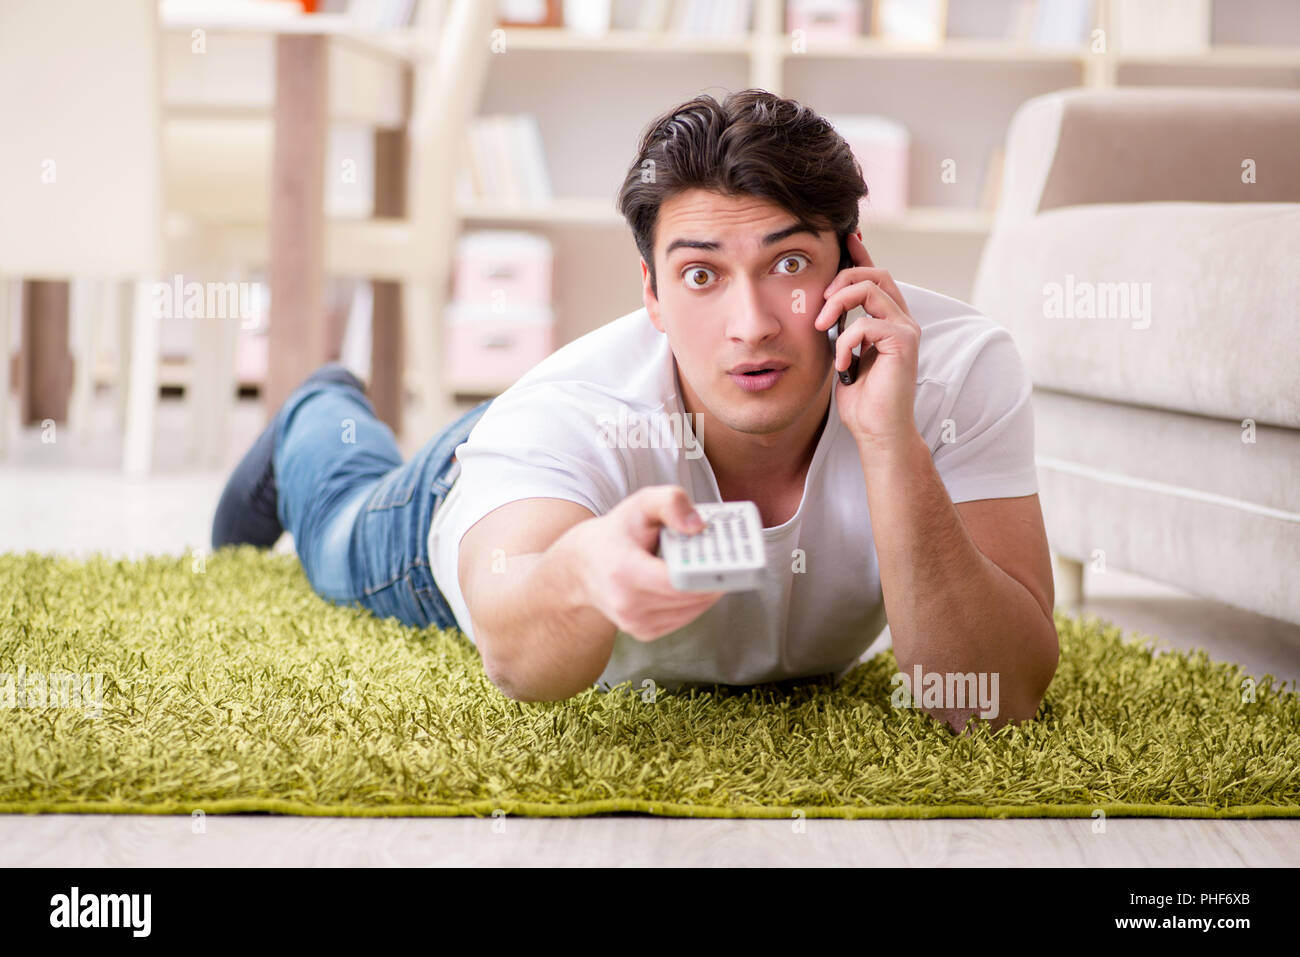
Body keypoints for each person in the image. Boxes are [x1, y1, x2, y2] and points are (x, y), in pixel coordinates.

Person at [212, 89, 1059, 733]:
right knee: (337, 527)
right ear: (650, 292)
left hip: (597, 454)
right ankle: (313, 413)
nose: (753, 322)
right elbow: (513, 651)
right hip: (490, 495)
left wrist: (889, 443)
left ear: (854, 260)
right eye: (701, 275)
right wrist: (584, 570)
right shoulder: (571, 412)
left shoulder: (948, 371)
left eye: (790, 262)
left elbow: (996, 696)